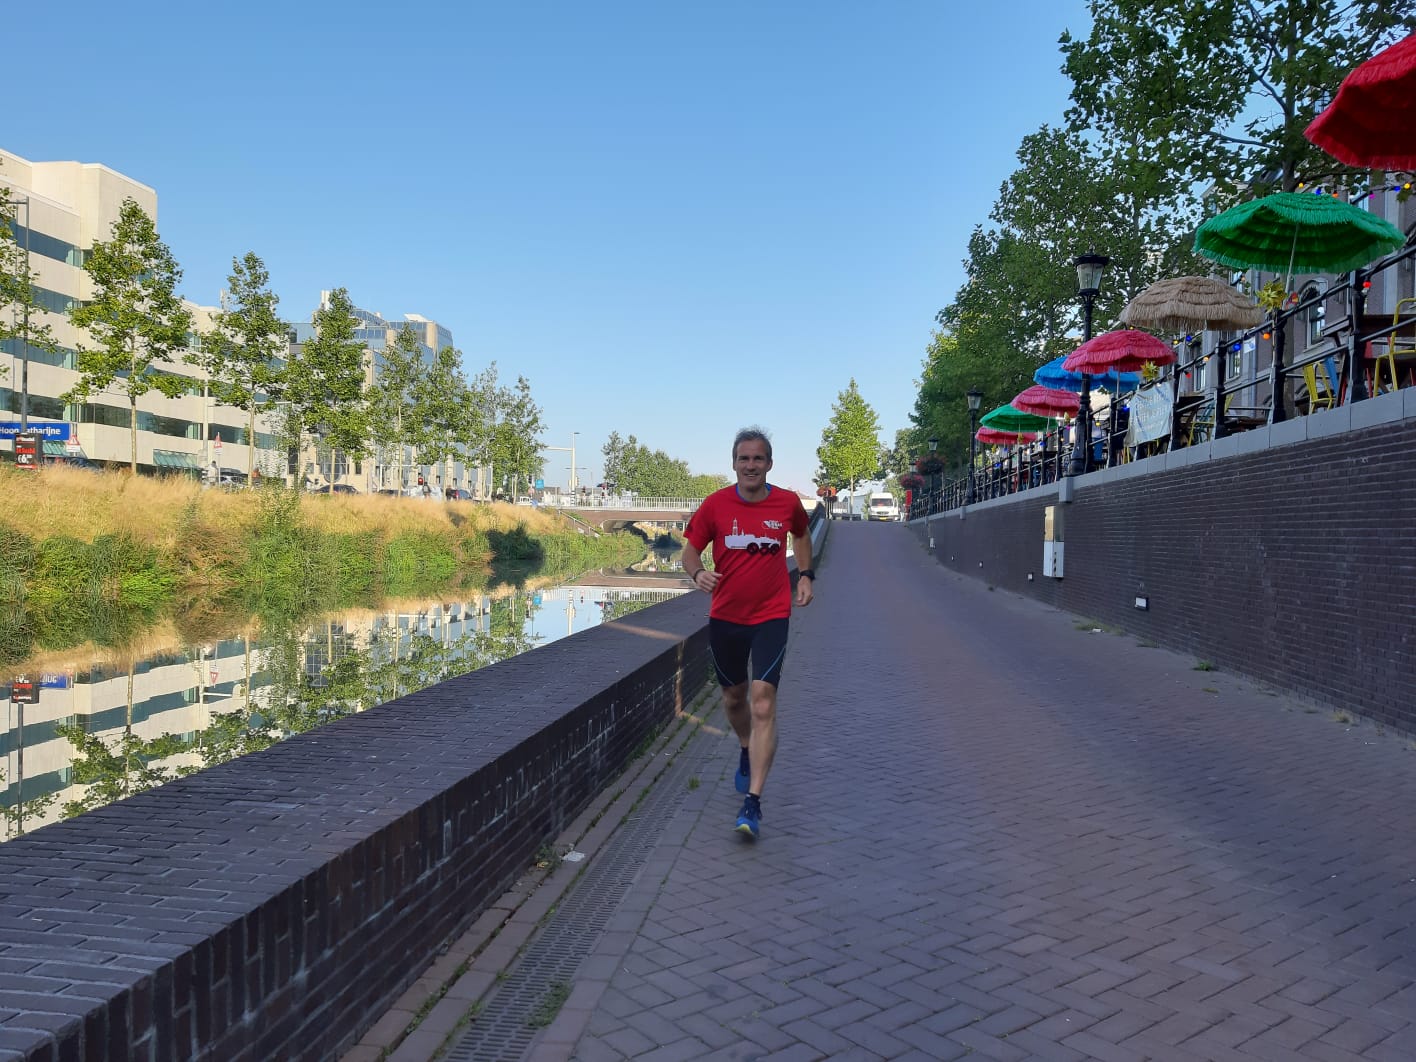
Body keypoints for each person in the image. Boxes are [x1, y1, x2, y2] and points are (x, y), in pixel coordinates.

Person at [680, 427, 814, 840]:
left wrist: (806, 574)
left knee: (762, 701)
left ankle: (753, 802)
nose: (751, 465)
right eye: (744, 459)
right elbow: (689, 549)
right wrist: (698, 572)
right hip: (726, 617)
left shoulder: (787, 502)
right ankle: (744, 746)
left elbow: (802, 534)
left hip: (772, 614)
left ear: (769, 464)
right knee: (733, 698)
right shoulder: (716, 505)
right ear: (734, 463)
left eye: (758, 459)